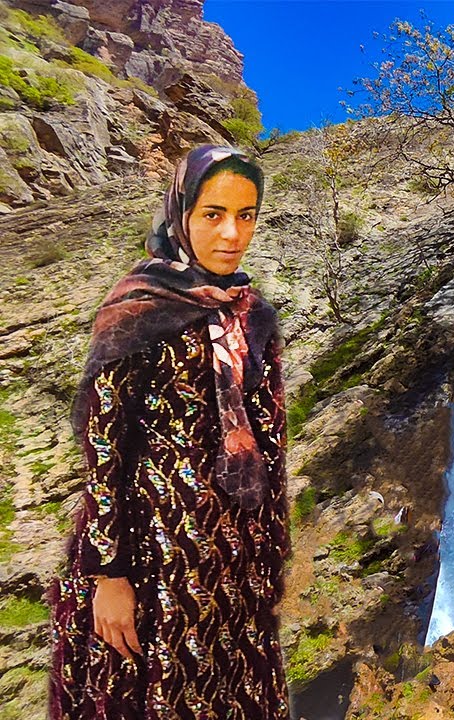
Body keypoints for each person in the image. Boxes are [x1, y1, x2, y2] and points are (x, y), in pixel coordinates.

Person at [48, 145, 290, 718]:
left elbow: (270, 441)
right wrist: (109, 575)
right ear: (181, 213)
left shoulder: (254, 316)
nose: (232, 233)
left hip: (237, 569)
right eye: (213, 213)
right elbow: (105, 452)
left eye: (247, 215)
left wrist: (272, 557)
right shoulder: (137, 311)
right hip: (154, 567)